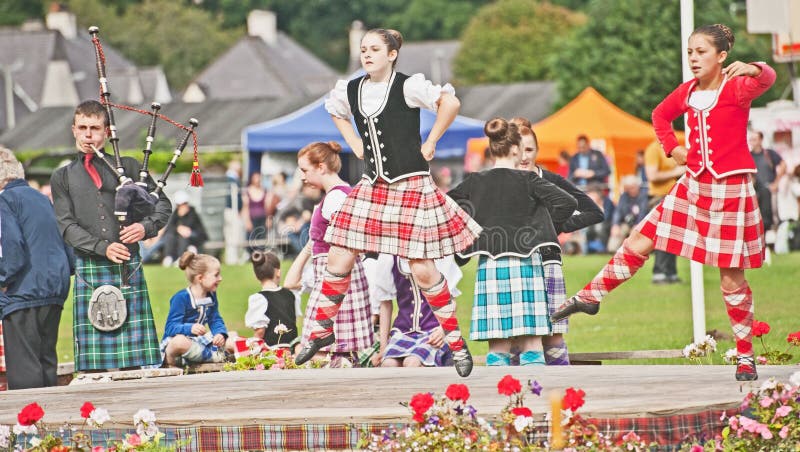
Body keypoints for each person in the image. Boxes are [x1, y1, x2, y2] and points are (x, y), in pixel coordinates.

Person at [551, 24, 776, 381]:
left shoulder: (736, 86)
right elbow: (659, 116)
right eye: (689, 52)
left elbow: (768, 79)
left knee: (732, 278)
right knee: (639, 239)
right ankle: (591, 296)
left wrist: (755, 67)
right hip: (693, 186)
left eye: (701, 52)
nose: (693, 58)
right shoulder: (686, 91)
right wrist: (673, 148)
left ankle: (745, 356)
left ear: (721, 57)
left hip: (731, 189)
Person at [295, 28, 482, 377]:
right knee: (339, 251)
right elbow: (334, 111)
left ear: (392, 54)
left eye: (375, 49)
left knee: (422, 268)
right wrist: (353, 142)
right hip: (374, 184)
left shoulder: (408, 86)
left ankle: (455, 342)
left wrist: (432, 141)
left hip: (410, 184)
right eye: (364, 49)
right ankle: (321, 332)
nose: (368, 54)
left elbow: (451, 103)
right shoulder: (352, 89)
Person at [51, 100, 170, 372]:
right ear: (74, 130)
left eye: (95, 128)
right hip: (90, 269)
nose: (88, 134)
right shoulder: (63, 177)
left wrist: (146, 227)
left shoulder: (127, 166)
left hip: (128, 267)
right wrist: (102, 247)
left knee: (134, 364)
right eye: (82, 128)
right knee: (94, 368)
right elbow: (66, 226)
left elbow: (162, 204)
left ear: (107, 132)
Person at [448, 118, 577, 366]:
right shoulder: (528, 180)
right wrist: (542, 228)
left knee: (497, 347)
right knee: (531, 345)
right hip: (526, 263)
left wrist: (471, 234)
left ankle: (501, 398)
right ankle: (534, 397)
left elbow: (448, 207)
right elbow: (567, 203)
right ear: (516, 149)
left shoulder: (475, 182)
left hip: (490, 267)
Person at [511, 117, 604, 365]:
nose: (523, 156)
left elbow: (594, 212)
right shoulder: (504, 181)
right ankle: (514, 395)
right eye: (518, 150)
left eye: (529, 149)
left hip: (547, 262)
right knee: (516, 337)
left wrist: (555, 226)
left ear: (538, 151)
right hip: (513, 264)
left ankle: (559, 393)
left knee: (552, 335)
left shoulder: (551, 180)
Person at [283, 141, 373, 367]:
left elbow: (349, 237)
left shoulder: (336, 197)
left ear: (321, 167)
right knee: (329, 351)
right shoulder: (335, 195)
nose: (302, 177)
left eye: (305, 170)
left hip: (335, 276)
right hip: (333, 273)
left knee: (320, 351)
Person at [0, 149, 72, 389]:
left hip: (23, 291)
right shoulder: (42, 198)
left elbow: (13, 251)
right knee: (46, 362)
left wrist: (2, 278)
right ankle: (48, 425)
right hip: (55, 289)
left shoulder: (5, 200)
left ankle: (27, 426)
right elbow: (67, 246)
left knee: (24, 368)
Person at [371, 254, 461, 368]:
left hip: (433, 331)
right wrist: (383, 347)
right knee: (388, 364)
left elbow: (451, 301)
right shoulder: (390, 256)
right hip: (403, 331)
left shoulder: (439, 255)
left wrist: (443, 330)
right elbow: (385, 303)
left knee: (412, 362)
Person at [161, 251, 235, 367]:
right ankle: (171, 360)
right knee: (179, 342)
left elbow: (215, 319)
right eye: (216, 275)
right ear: (200, 278)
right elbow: (170, 328)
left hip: (197, 343)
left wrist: (220, 334)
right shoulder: (181, 298)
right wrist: (190, 328)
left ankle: (204, 357)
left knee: (232, 336)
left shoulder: (211, 295)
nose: (220, 278)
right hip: (179, 344)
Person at [644, 139, 685, 284]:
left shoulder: (673, 148)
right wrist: (676, 172)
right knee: (662, 236)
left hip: (673, 195)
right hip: (658, 197)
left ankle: (671, 272)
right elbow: (652, 176)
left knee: (673, 237)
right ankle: (659, 273)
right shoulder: (653, 149)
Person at [245, 251, 298, 347]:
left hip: (272, 351)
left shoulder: (258, 299)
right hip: (293, 348)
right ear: (278, 272)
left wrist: (253, 347)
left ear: (256, 275)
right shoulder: (291, 294)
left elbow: (260, 331)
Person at [749, 130, 785, 234]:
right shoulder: (749, 156)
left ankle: (773, 240)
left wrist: (776, 183)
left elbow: (783, 165)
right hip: (755, 192)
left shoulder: (769, 154)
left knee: (772, 216)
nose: (752, 142)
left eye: (755, 139)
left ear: (761, 140)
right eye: (751, 139)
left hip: (769, 190)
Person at [161, 190, 208, 267]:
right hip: (180, 236)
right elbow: (170, 227)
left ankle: (181, 258)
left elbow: (191, 228)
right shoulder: (176, 213)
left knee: (184, 236)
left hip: (196, 235)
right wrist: (178, 228)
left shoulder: (192, 211)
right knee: (170, 236)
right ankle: (169, 257)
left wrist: (182, 219)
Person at [606, 175, 650, 252]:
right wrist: (615, 225)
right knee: (612, 246)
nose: (631, 190)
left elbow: (643, 212)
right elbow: (618, 212)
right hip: (626, 223)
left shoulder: (644, 196)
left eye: (632, 187)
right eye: (628, 188)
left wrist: (637, 225)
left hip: (641, 224)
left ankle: (636, 250)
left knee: (636, 240)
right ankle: (614, 251)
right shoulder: (624, 196)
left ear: (637, 185)